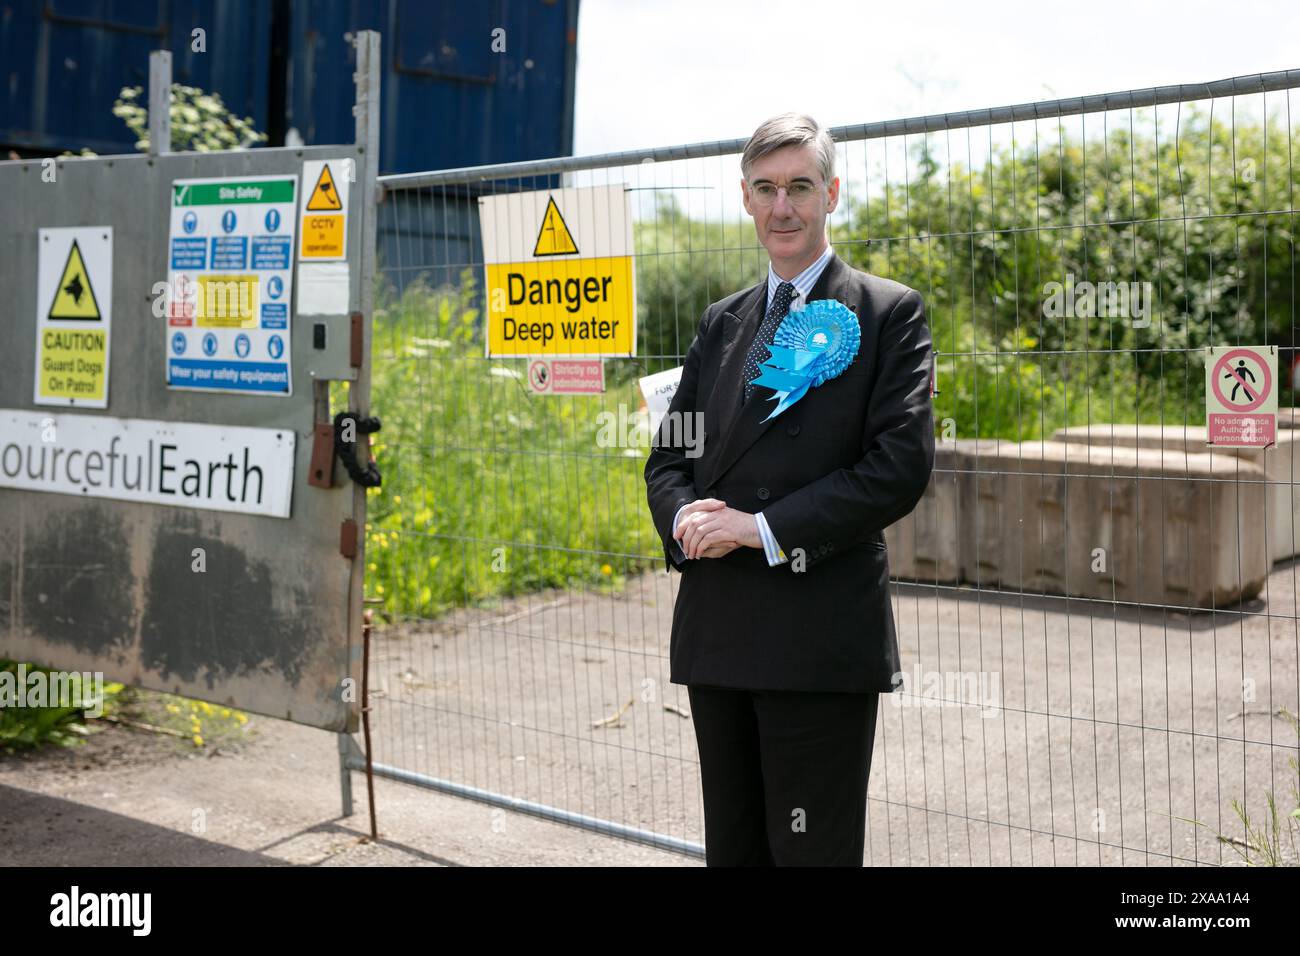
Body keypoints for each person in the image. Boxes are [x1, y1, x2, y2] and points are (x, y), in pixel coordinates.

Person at [644, 112, 935, 865]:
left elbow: (896, 468)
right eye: (766, 189)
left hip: (817, 641)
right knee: (734, 851)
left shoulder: (886, 314)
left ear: (831, 193)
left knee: (812, 855)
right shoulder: (723, 322)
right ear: (745, 198)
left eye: (800, 187)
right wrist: (686, 521)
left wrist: (759, 529)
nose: (783, 207)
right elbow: (670, 458)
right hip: (721, 633)